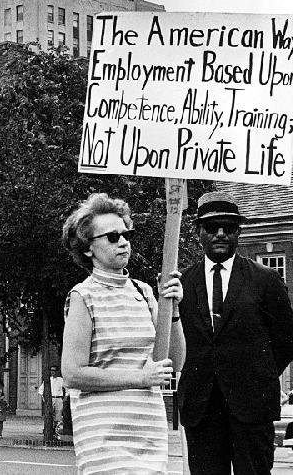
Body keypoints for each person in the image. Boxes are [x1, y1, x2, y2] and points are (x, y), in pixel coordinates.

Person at [61, 193, 184, 474]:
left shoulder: (144, 292)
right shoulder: (83, 296)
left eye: (126, 234)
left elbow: (174, 363)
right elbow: (72, 373)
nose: (124, 242)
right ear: (89, 248)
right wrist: (140, 377)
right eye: (112, 237)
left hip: (149, 436)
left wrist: (175, 311)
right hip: (105, 441)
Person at [177, 191, 293, 475]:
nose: (220, 234)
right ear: (198, 232)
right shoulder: (182, 284)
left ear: (238, 232)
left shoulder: (265, 279)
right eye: (211, 227)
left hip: (252, 407)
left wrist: (259, 373)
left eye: (228, 227)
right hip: (201, 409)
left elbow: (287, 339)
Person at [37, 365, 65, 432]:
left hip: (58, 399)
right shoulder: (48, 380)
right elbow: (40, 390)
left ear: (57, 371)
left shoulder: (61, 380)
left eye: (54, 370)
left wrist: (65, 397)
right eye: (51, 370)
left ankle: (56, 430)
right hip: (50, 399)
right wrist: (43, 398)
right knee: (49, 415)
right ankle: (48, 430)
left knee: (58, 415)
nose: (53, 372)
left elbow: (67, 389)